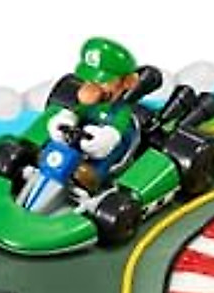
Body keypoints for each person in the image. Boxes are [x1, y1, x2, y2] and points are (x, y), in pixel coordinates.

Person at [48, 36, 143, 192]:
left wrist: (102, 139)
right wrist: (65, 120)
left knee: (99, 163)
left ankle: (95, 178)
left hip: (110, 148)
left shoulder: (121, 111)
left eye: (102, 82)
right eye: (90, 80)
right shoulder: (90, 104)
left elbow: (114, 133)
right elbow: (75, 112)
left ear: (128, 82)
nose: (93, 87)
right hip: (81, 141)